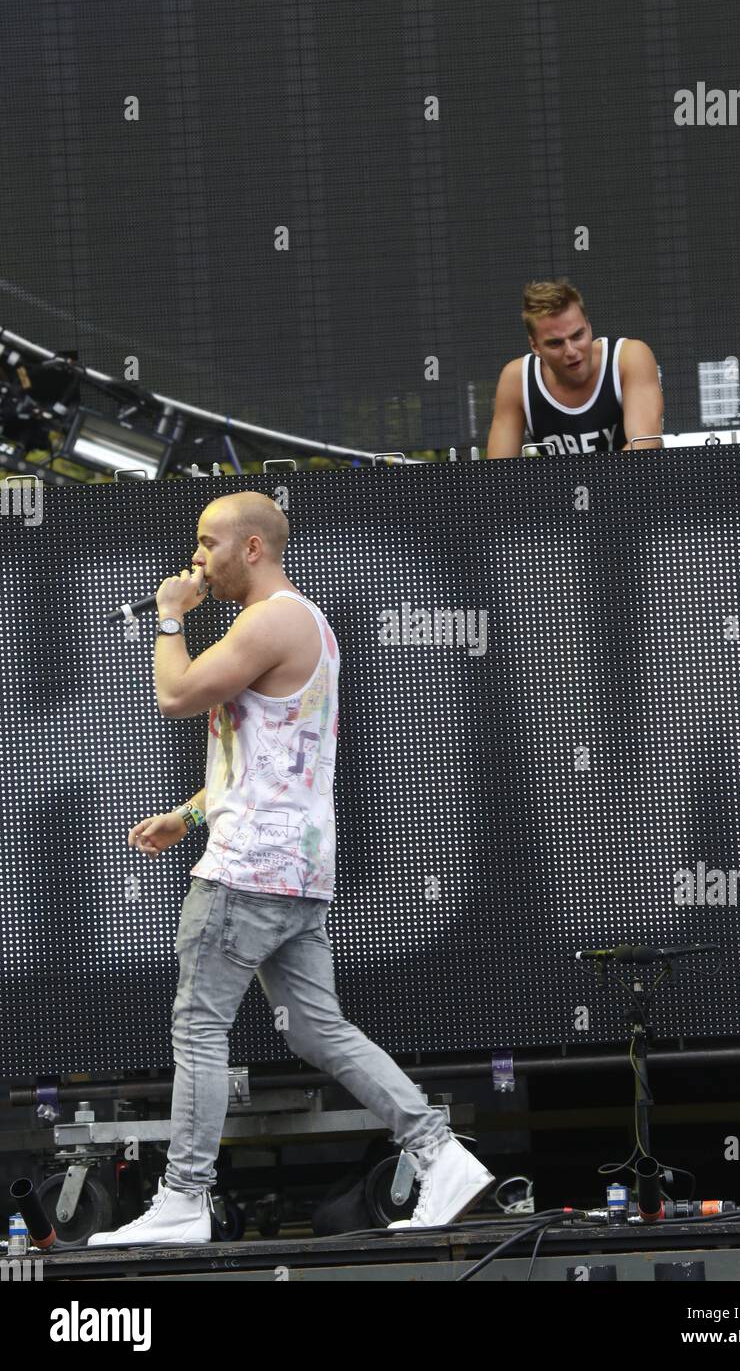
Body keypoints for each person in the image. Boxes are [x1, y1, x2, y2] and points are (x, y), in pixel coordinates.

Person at [88, 491, 493, 1245]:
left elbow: (174, 695)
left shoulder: (270, 619)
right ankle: (439, 1154)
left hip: (246, 874)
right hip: (295, 869)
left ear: (251, 548)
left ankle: (184, 1198)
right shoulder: (305, 624)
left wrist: (172, 616)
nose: (197, 559)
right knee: (317, 1028)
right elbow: (272, 759)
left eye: (208, 543)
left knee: (200, 1027)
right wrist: (192, 813)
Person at [487, 279, 664, 458]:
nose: (571, 351)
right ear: (535, 346)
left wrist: (585, 483)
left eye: (578, 335)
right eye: (555, 343)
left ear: (589, 327)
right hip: (562, 486)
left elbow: (645, 445)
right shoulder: (517, 380)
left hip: (629, 485)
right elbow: (498, 471)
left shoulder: (629, 358)